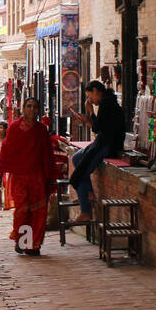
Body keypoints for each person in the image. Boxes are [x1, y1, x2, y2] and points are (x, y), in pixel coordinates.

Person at [0, 96, 56, 256]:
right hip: (20, 177)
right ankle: (22, 241)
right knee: (23, 211)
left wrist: (50, 176)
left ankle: (33, 246)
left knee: (38, 212)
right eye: (28, 106)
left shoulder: (42, 130)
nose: (31, 109)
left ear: (38, 110)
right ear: (23, 108)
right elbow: (6, 151)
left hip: (38, 177)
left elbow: (47, 154)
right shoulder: (15, 128)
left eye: (35, 107)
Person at [68, 80, 126, 224]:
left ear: (95, 90)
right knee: (76, 158)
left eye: (90, 96)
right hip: (101, 141)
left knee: (81, 172)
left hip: (108, 145)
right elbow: (98, 127)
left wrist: (90, 113)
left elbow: (98, 127)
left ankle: (85, 212)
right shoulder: (107, 103)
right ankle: (87, 192)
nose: (91, 101)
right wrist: (89, 119)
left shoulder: (107, 104)